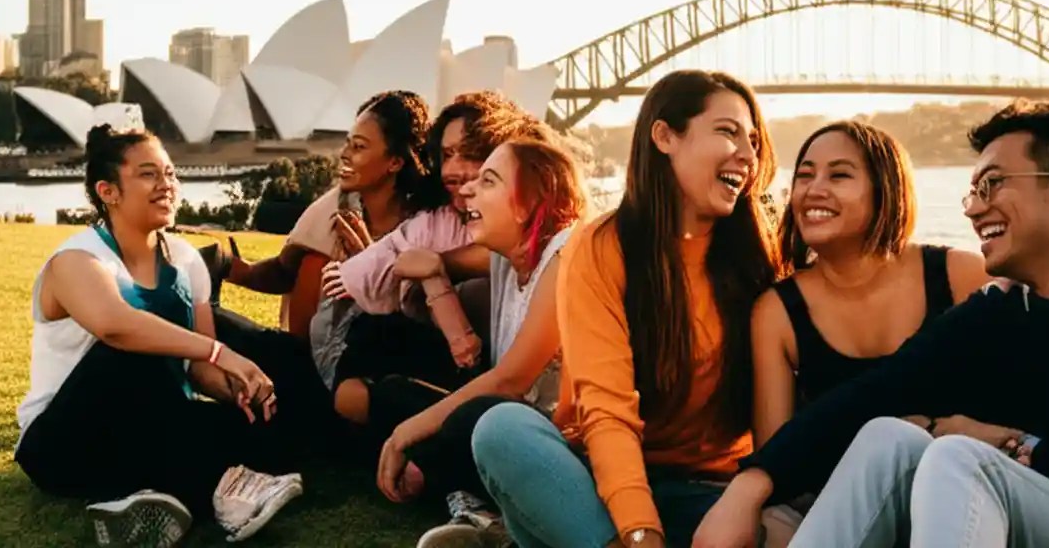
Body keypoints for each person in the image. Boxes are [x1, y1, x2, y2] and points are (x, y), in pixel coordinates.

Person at [693, 99, 1049, 548]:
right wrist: (750, 484)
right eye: (973, 191)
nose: (975, 208)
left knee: (959, 461)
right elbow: (872, 393)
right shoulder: (998, 313)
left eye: (992, 184)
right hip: (1041, 516)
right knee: (889, 436)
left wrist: (1020, 448)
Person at [471, 69, 785, 548]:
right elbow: (607, 410)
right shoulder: (601, 248)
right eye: (728, 131)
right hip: (601, 482)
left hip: (713, 495)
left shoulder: (760, 258)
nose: (748, 154)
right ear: (664, 136)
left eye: (753, 140)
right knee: (500, 429)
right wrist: (640, 533)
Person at [14, 125, 303, 547]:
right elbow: (117, 326)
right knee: (130, 355)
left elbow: (200, 372)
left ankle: (148, 501)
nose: (166, 184)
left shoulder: (186, 260)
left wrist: (237, 392)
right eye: (149, 174)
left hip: (152, 425)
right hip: (65, 441)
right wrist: (222, 351)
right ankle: (221, 494)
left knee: (263, 426)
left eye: (170, 174)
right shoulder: (76, 260)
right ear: (108, 191)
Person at [751, 121, 989, 544]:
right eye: (804, 175)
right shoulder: (778, 312)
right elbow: (777, 460)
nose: (814, 189)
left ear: (886, 190)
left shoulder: (962, 277)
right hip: (843, 515)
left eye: (839, 175)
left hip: (959, 505)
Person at [361, 137, 587, 548]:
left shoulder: (567, 255)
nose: (466, 190)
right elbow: (467, 354)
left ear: (528, 202)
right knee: (394, 392)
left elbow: (510, 380)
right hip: (510, 431)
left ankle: (487, 512)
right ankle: (482, 506)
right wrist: (432, 273)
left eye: (489, 181)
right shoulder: (507, 256)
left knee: (470, 417)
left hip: (560, 447)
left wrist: (405, 436)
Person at [315, 91, 556, 425]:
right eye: (447, 155)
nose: (455, 172)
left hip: (520, 420)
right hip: (487, 389)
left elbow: (509, 382)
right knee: (374, 336)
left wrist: (438, 265)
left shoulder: (552, 255)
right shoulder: (448, 224)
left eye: (473, 157)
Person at [204, 90, 441, 337]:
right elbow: (284, 271)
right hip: (313, 343)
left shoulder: (426, 223)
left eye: (359, 146)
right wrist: (231, 267)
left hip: (384, 349)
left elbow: (421, 315)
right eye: (348, 143)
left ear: (395, 162)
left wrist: (367, 262)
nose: (345, 154)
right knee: (314, 263)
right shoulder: (338, 205)